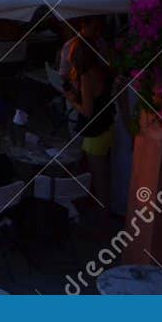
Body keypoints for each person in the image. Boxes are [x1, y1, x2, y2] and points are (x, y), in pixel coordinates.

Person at [65, 41, 114, 212]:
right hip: (106, 127)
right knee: (100, 173)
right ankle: (100, 207)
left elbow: (87, 111)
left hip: (95, 132)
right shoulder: (100, 71)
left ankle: (103, 214)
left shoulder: (87, 76)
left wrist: (71, 99)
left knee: (99, 177)